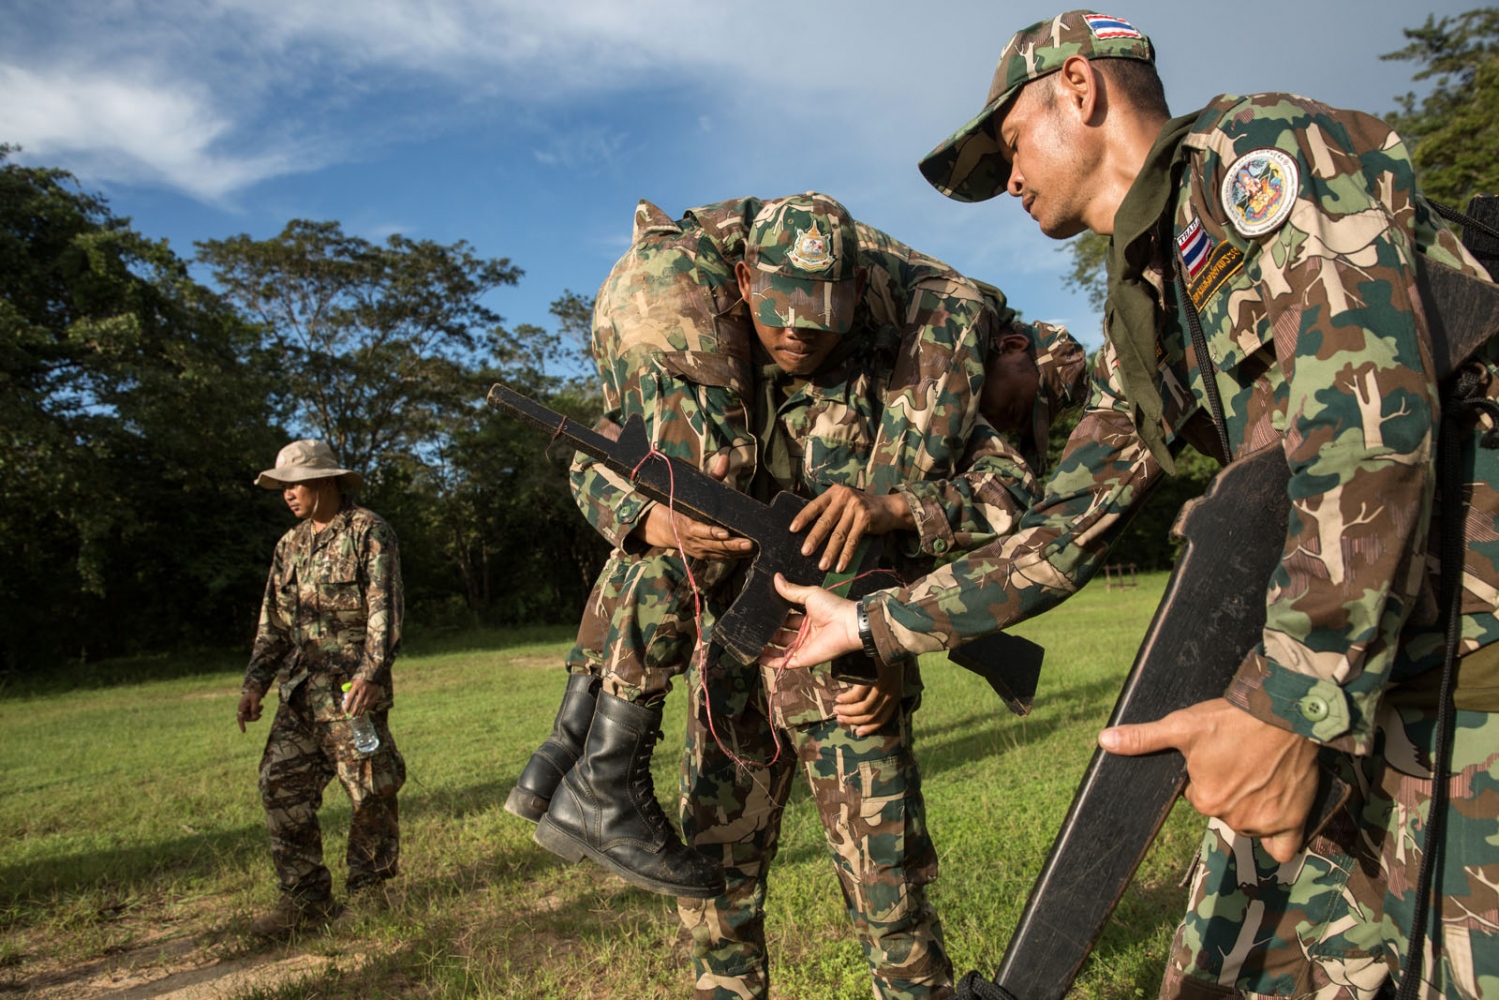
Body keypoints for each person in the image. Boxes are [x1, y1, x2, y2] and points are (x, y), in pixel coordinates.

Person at [768, 12, 1499, 999]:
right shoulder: (1143, 316)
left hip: (1451, 685)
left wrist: (1289, 712)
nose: (1007, 174)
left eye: (1008, 140)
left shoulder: (1254, 157)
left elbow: (1366, 418)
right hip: (1339, 685)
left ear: (1078, 87)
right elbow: (1061, 528)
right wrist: (867, 618)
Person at [507, 191, 1086, 997]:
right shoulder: (698, 361)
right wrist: (648, 524)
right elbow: (596, 460)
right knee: (715, 900)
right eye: (780, 314)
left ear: (855, 294)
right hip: (726, 667)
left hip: (848, 671)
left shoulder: (903, 369)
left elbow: (1003, 489)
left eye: (820, 320)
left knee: (893, 906)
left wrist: (894, 522)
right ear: (743, 281)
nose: (795, 336)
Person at [236, 439, 406, 937]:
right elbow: (273, 623)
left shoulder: (369, 532)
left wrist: (373, 674)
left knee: (370, 791)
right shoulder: (289, 545)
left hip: (352, 693)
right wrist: (255, 683)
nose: (288, 494)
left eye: (297, 484)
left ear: (328, 480)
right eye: (283, 486)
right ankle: (304, 900)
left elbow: (385, 611)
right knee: (278, 784)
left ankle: (371, 894)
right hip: (300, 692)